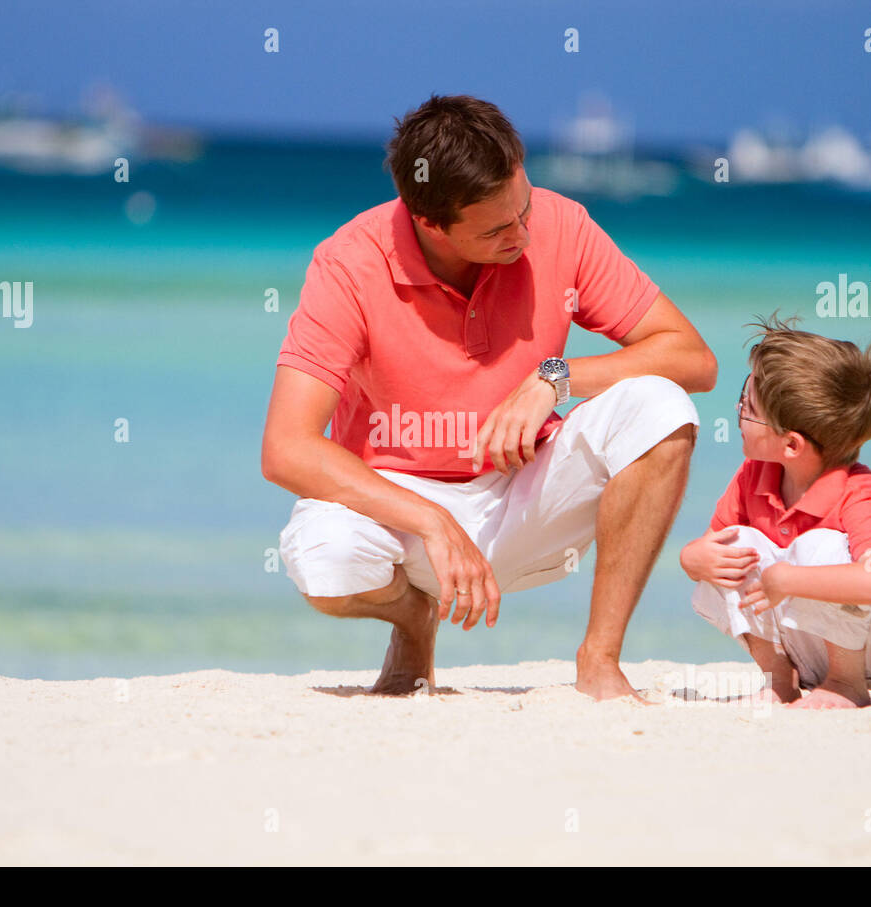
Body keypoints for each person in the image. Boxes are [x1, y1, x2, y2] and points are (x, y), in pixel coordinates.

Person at [260, 94, 717, 701]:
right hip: (404, 511)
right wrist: (432, 519)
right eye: (499, 228)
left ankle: (599, 661)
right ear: (429, 222)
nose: (525, 235)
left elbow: (693, 358)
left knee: (663, 407)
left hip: (526, 493)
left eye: (524, 209)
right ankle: (411, 619)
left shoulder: (561, 224)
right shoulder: (349, 263)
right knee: (324, 561)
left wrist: (553, 376)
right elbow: (286, 450)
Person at [679, 314, 871, 709]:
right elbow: (712, 547)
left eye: (747, 407)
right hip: (797, 638)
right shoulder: (753, 475)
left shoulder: (858, 491)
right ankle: (779, 678)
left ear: (791, 445)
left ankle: (844, 684)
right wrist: (693, 558)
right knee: (733, 545)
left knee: (820, 545)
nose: (736, 410)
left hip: (867, 650)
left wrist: (788, 578)